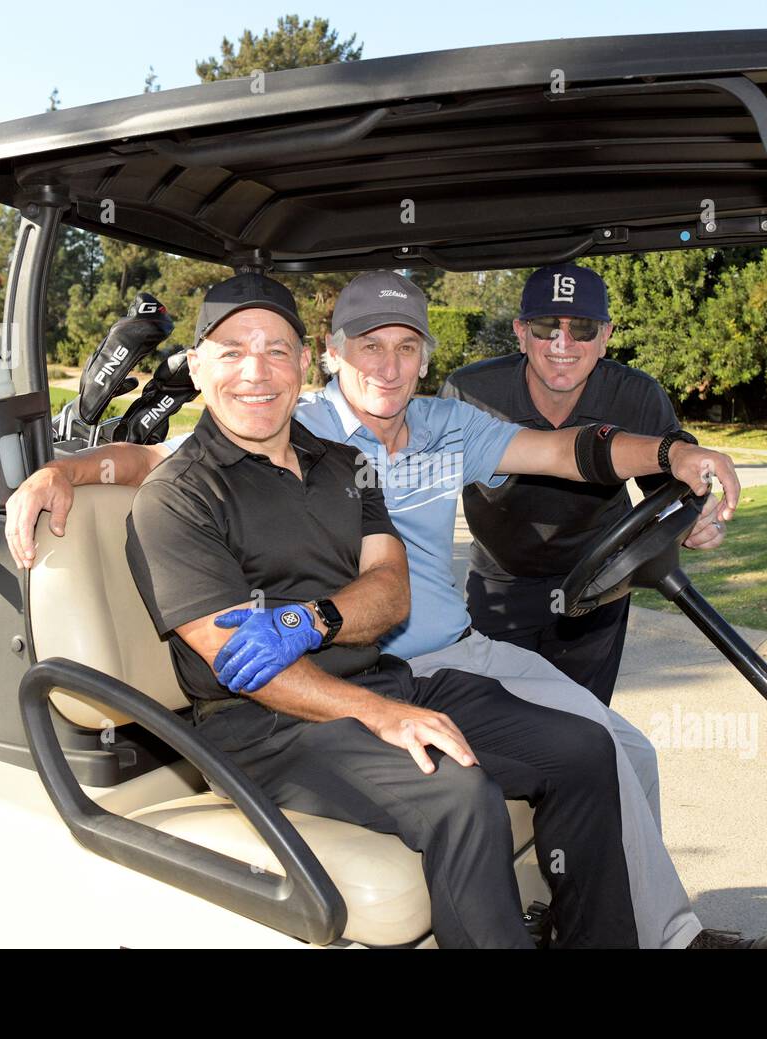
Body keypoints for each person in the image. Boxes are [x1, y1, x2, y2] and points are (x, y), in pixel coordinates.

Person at [6, 271, 767, 950]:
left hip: (402, 663)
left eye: (405, 346)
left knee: (594, 750)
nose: (386, 363)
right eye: (366, 345)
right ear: (332, 354)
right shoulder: (267, 432)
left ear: (419, 355)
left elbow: (550, 463)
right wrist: (63, 468)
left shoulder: (358, 457)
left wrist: (674, 454)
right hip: (285, 712)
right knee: (462, 793)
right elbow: (158, 465)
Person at [124, 272, 637, 948]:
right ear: (197, 367)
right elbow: (244, 667)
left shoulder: (342, 463)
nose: (257, 371)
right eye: (232, 351)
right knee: (461, 794)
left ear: (304, 363)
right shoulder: (180, 498)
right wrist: (379, 711)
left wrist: (313, 620)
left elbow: (390, 586)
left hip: (382, 678)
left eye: (276, 350)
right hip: (268, 729)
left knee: (583, 747)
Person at [439, 263, 725, 706]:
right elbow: (426, 497)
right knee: (495, 725)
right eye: (545, 326)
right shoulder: (472, 392)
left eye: (583, 329)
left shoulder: (636, 395)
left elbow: (671, 497)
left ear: (606, 335)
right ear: (520, 332)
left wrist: (699, 523)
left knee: (585, 725)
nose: (562, 343)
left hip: (597, 580)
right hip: (501, 581)